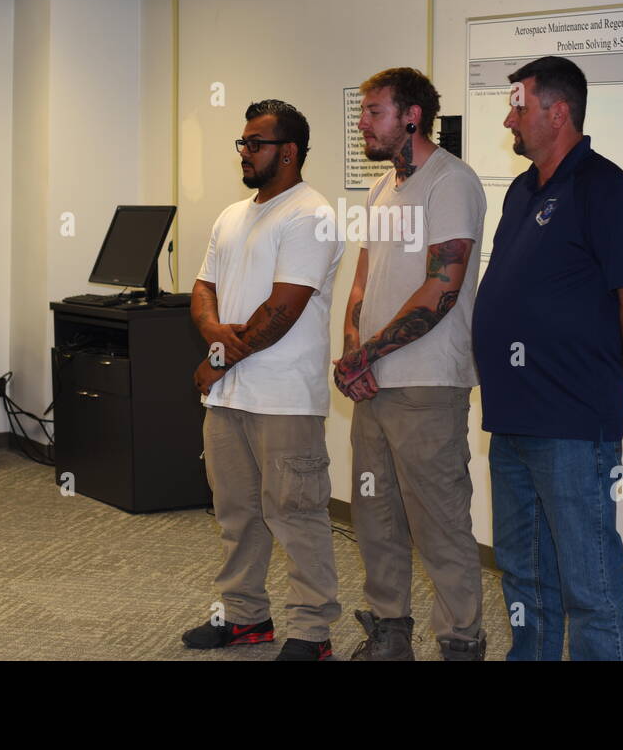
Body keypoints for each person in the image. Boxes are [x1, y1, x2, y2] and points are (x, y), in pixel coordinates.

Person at [472, 55, 623, 660]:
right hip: (513, 418)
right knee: (524, 573)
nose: (509, 118)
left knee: (589, 578)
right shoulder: (523, 191)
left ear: (558, 112)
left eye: (518, 106)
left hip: (573, 422)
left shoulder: (603, 188)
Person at [333, 67, 487, 661]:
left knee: (440, 524)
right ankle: (391, 635)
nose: (363, 123)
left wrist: (367, 354)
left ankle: (460, 642)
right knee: (375, 519)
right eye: (364, 112)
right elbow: (364, 283)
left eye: (374, 112)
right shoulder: (380, 190)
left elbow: (441, 290)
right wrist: (354, 350)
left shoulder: (452, 183)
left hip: (426, 385)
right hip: (374, 384)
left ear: (412, 117)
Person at [182, 100, 344, 662]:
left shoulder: (311, 213)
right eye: (243, 143)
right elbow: (203, 288)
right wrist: (210, 328)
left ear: (289, 152)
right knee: (236, 515)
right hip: (230, 399)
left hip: (283, 397)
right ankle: (246, 616)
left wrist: (217, 357)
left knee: (296, 515)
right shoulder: (232, 214)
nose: (245, 152)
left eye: (255, 143)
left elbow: (282, 311)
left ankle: (311, 632)